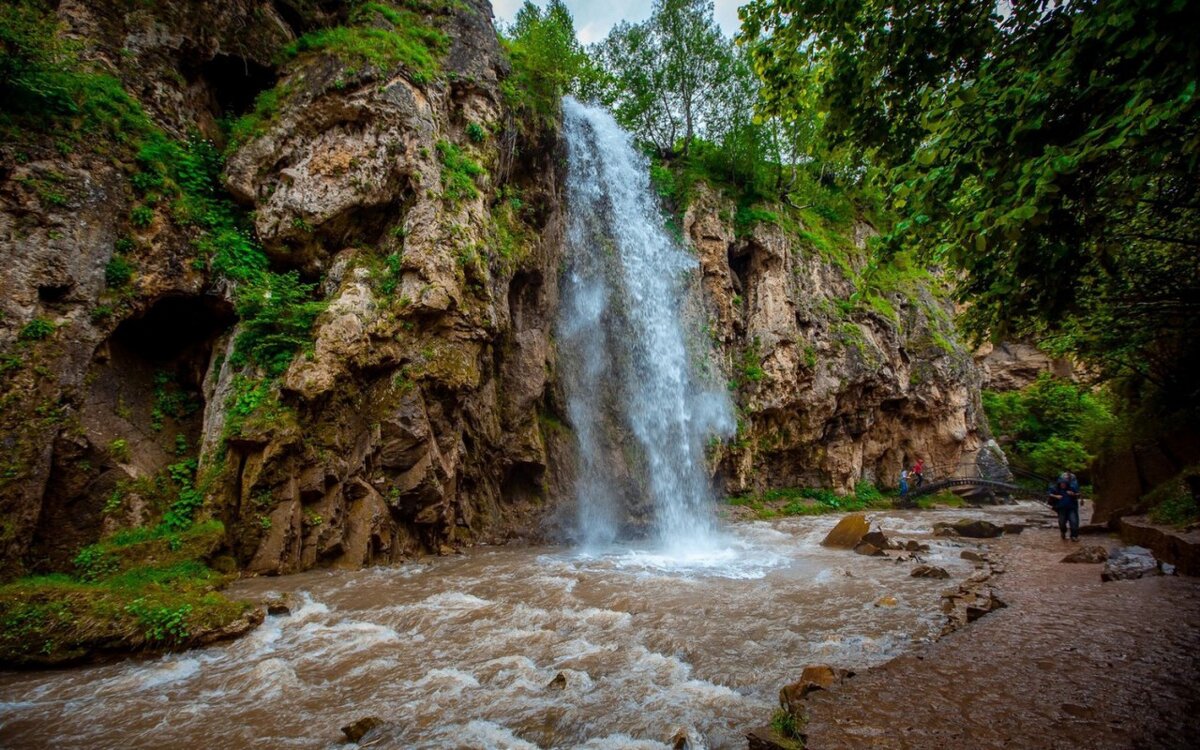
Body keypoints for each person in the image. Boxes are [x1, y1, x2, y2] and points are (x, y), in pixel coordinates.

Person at [1048, 475, 1080, 541]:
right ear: (1059, 483)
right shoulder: (1056, 489)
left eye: (1064, 483)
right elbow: (1049, 493)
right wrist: (1056, 496)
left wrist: (1073, 494)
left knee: (1074, 522)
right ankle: (1063, 532)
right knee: (1062, 523)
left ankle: (1074, 536)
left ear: (1066, 484)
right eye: (1061, 483)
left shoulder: (1071, 488)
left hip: (1071, 508)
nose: (1063, 485)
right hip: (1061, 509)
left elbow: (1078, 494)